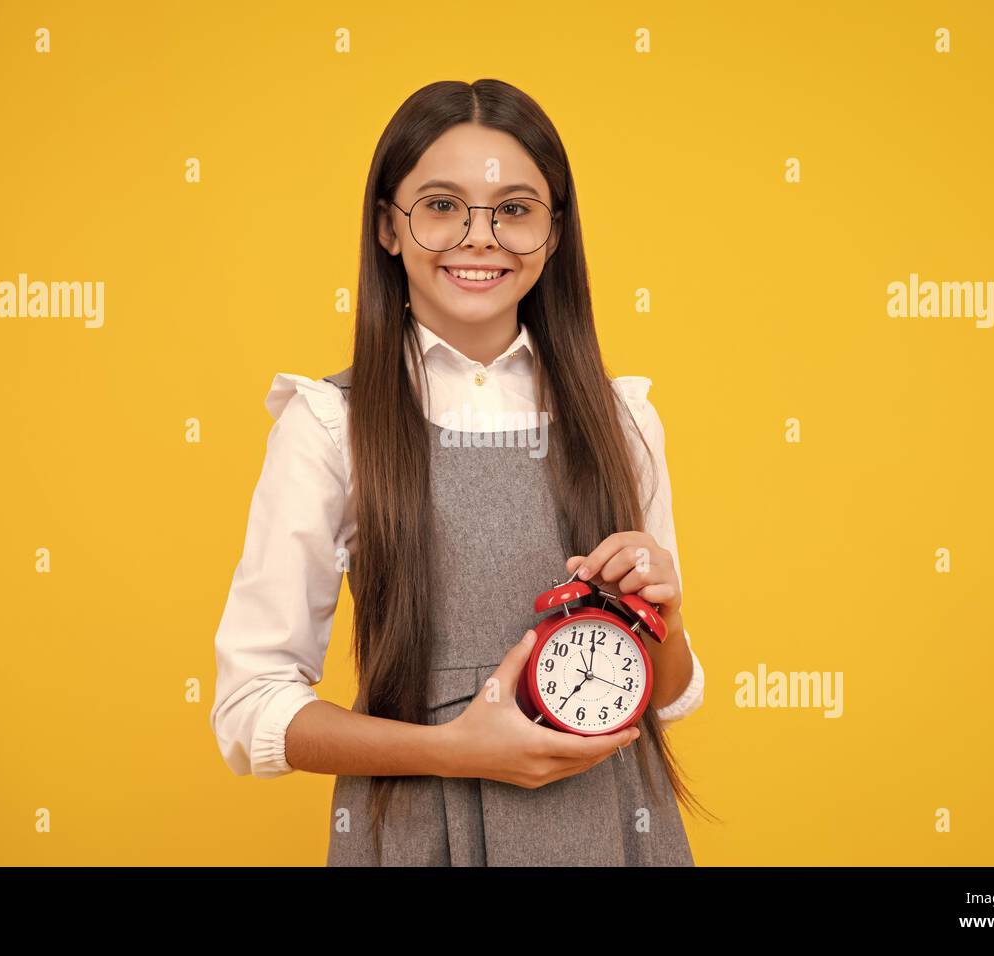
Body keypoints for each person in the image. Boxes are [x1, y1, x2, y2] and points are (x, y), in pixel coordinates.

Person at [210, 78, 714, 866]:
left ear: (553, 232)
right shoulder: (329, 424)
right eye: (441, 205)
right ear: (388, 226)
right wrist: (457, 750)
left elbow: (672, 694)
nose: (481, 238)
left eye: (514, 209)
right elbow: (253, 708)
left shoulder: (622, 419)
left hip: (615, 830)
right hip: (421, 834)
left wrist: (669, 621)